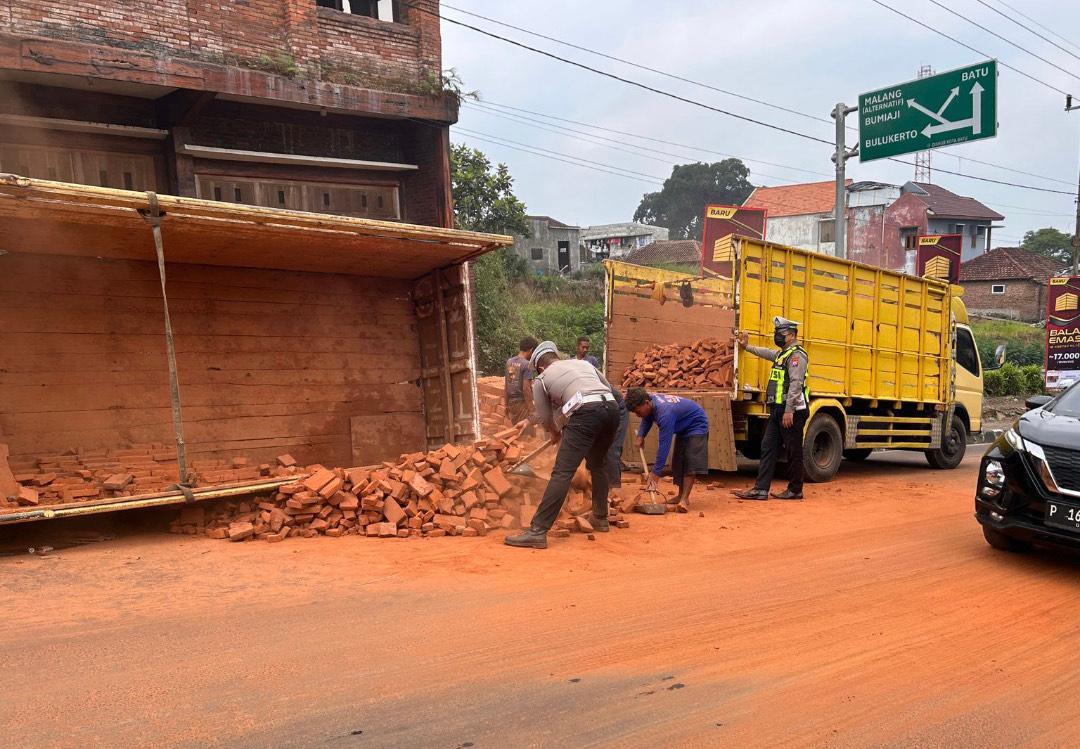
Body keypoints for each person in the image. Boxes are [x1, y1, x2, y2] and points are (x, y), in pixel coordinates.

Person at [505, 341, 620, 549]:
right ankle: (601, 518)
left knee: (562, 472)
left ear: (539, 366)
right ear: (555, 357)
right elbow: (608, 389)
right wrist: (560, 429)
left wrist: (554, 432)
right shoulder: (584, 364)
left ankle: (538, 531)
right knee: (598, 463)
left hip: (586, 411)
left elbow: (543, 415)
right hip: (611, 409)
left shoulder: (542, 378)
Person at [732, 316, 810, 501]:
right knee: (767, 447)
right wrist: (747, 347)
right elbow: (766, 352)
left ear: (791, 335)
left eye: (780, 333)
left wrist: (789, 410)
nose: (777, 336)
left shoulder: (797, 355)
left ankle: (795, 490)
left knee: (793, 451)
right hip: (777, 409)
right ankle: (760, 489)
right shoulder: (783, 354)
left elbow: (796, 384)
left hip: (792, 411)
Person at [625, 388, 710, 512]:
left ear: (647, 403)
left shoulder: (665, 413)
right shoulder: (650, 402)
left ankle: (685, 499)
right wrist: (641, 436)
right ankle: (680, 496)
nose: (638, 415)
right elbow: (647, 418)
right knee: (679, 461)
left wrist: (655, 473)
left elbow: (664, 445)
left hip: (697, 425)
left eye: (638, 411)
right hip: (683, 426)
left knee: (690, 462)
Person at [504, 337, 538, 432]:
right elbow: (526, 388)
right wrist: (532, 410)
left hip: (512, 405)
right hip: (522, 404)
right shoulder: (527, 364)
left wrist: (506, 405)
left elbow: (507, 385)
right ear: (531, 350)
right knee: (526, 435)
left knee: (518, 432)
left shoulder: (510, 362)